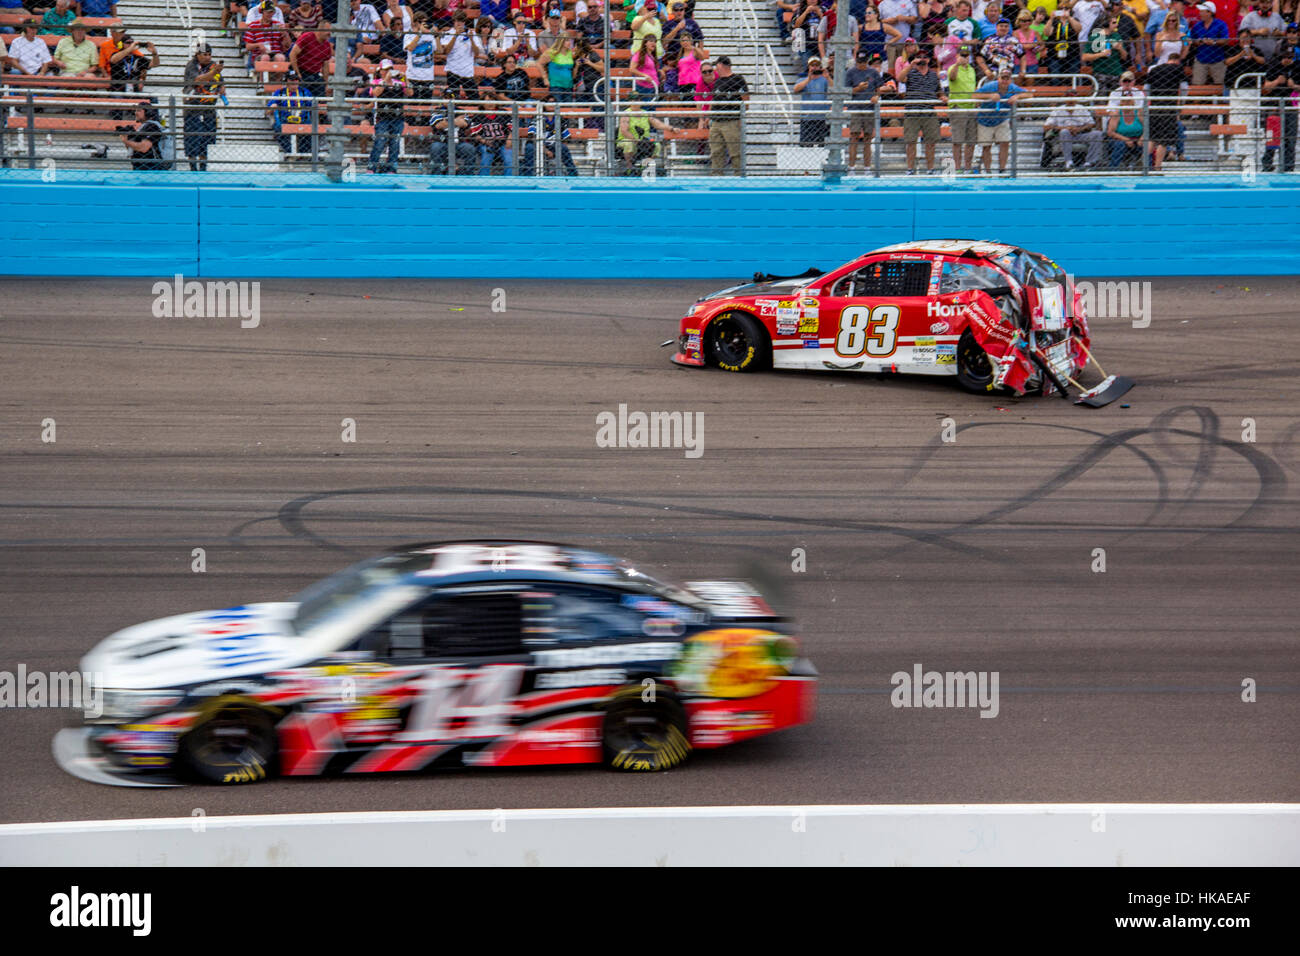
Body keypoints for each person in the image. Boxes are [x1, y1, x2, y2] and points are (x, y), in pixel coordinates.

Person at [972, 64, 1027, 172]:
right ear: (998, 78)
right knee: (986, 146)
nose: (1004, 81)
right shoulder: (991, 86)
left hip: (1002, 119)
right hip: (985, 120)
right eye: (1003, 78)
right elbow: (974, 95)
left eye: (1007, 78)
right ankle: (988, 171)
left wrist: (1017, 96)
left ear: (1010, 80)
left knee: (1005, 143)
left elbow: (1029, 94)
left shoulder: (1012, 87)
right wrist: (990, 96)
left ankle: (1002, 169)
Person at [846, 48, 892, 169]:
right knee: (854, 137)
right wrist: (858, 89)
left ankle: (867, 167)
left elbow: (879, 89)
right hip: (855, 107)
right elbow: (846, 92)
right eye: (860, 61)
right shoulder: (850, 72)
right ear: (856, 60)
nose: (862, 64)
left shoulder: (873, 72)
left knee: (868, 138)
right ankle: (851, 167)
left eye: (864, 61)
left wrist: (876, 97)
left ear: (867, 61)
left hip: (869, 108)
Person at [901, 48, 944, 172]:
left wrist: (942, 96)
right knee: (910, 142)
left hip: (929, 111)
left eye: (925, 57)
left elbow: (938, 90)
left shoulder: (933, 75)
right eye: (920, 57)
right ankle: (910, 168)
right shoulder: (911, 72)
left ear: (929, 60)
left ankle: (930, 168)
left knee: (930, 143)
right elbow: (900, 78)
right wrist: (911, 65)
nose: (922, 59)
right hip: (912, 111)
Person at [183, 43, 224, 171]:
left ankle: (204, 167)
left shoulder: (213, 65)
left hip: (209, 107)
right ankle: (193, 167)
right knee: (192, 137)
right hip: (193, 106)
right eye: (205, 55)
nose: (208, 57)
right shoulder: (192, 65)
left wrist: (222, 88)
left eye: (209, 54)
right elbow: (198, 80)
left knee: (208, 137)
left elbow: (221, 82)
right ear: (198, 54)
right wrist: (214, 72)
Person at [1041, 87, 1103, 167]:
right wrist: (1065, 128)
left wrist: (1079, 129)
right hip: (1063, 136)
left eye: (1073, 97)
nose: (1071, 99)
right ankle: (1069, 162)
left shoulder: (1082, 109)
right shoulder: (1058, 110)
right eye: (1068, 97)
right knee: (1064, 132)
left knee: (1097, 134)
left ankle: (1090, 162)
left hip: (1080, 134)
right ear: (1065, 98)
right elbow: (1046, 126)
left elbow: (1091, 123)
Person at [708, 55, 749, 174]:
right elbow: (714, 99)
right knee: (716, 151)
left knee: (735, 151)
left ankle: (739, 176)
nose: (716, 68)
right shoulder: (718, 81)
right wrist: (710, 116)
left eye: (717, 65)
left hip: (731, 120)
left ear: (721, 65)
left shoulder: (737, 79)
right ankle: (717, 176)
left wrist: (742, 117)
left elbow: (745, 98)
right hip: (716, 120)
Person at [1262, 46, 1298, 170]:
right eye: (1284, 57)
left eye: (1289, 57)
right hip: (1274, 106)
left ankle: (1288, 167)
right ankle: (1267, 165)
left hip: (1291, 106)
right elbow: (1265, 88)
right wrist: (1277, 81)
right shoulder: (1274, 67)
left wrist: (1295, 86)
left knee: (1290, 139)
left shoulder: (1297, 67)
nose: (1286, 60)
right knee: (1272, 137)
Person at [1146, 50, 1187, 163]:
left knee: (1152, 138)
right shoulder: (1178, 69)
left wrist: (1151, 100)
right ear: (1177, 61)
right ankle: (1158, 167)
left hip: (1155, 106)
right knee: (1163, 141)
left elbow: (1146, 87)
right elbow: (1184, 88)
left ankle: (1144, 163)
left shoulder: (1154, 69)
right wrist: (1181, 103)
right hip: (1169, 106)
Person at [367, 59, 406, 172]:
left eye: (390, 69)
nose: (388, 71)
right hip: (382, 117)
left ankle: (392, 168)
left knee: (395, 144)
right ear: (380, 71)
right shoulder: (376, 82)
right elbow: (375, 93)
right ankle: (372, 167)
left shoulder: (398, 82)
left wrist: (405, 79)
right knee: (380, 142)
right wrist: (386, 79)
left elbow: (410, 92)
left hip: (397, 116)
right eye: (385, 69)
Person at [266, 70, 316, 155]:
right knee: (278, 130)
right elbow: (268, 110)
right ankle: (289, 153)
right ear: (286, 81)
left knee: (311, 131)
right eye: (291, 80)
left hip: (302, 120)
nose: (294, 82)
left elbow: (313, 106)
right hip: (285, 120)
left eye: (296, 80)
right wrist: (273, 106)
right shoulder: (280, 93)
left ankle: (303, 154)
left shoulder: (304, 92)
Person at [428, 90, 478, 173]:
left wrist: (446, 121)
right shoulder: (437, 111)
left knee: (470, 148)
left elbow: (465, 124)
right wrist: (457, 120)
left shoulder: (461, 111)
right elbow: (438, 125)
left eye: (451, 98)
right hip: (442, 143)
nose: (448, 100)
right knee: (435, 147)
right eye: (446, 98)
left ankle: (468, 175)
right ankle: (437, 173)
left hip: (459, 143)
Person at [947, 45, 979, 171]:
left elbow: (973, 86)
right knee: (957, 141)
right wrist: (957, 64)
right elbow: (952, 77)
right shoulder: (952, 68)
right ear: (957, 56)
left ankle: (968, 167)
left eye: (966, 55)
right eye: (962, 55)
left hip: (971, 107)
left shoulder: (972, 69)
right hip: (958, 106)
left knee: (971, 141)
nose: (965, 57)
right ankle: (957, 167)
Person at [101, 26, 159, 93]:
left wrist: (154, 54)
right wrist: (130, 49)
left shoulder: (137, 57)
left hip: (134, 89)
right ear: (121, 44)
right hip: (118, 89)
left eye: (131, 43)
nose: (130, 45)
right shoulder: (116, 55)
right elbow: (113, 60)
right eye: (128, 43)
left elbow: (155, 64)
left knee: (153, 99)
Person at [439, 11, 480, 97]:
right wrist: (455, 35)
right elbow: (446, 51)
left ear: (464, 22)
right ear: (453, 21)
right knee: (453, 98)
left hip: (467, 71)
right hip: (453, 70)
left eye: (461, 21)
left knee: (475, 97)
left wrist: (472, 39)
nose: (458, 23)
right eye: (456, 21)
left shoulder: (471, 33)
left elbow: (477, 53)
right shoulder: (448, 33)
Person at [1189, 0, 1230, 84]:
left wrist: (1214, 42)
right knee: (1197, 85)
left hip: (1217, 60)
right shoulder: (1197, 25)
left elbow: (1226, 40)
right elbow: (1191, 40)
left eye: (1202, 12)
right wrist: (1198, 42)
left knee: (1219, 85)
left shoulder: (1221, 24)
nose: (1200, 14)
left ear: (1210, 12)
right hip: (1201, 59)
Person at [794, 55, 831, 145]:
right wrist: (809, 78)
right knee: (806, 144)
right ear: (809, 67)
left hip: (822, 118)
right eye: (812, 65)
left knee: (823, 145)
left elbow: (834, 89)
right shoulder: (802, 79)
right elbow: (796, 89)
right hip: (807, 118)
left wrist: (828, 77)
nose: (814, 67)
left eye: (816, 65)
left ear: (820, 66)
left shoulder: (824, 80)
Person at [290, 23, 333, 98]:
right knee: (302, 92)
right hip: (301, 70)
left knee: (321, 94)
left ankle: (320, 107)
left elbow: (325, 65)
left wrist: (326, 83)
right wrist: (297, 73)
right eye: (328, 31)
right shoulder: (308, 37)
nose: (330, 33)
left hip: (315, 74)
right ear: (320, 30)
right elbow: (292, 54)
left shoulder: (327, 45)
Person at [120, 104, 167, 169]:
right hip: (141, 166)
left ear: (147, 112)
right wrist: (127, 137)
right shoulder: (143, 127)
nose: (135, 113)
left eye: (139, 111)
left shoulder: (152, 126)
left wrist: (126, 141)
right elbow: (133, 148)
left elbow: (144, 148)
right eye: (135, 111)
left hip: (150, 167)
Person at [405, 15, 438, 99]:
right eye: (421, 22)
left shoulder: (430, 36)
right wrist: (420, 34)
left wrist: (436, 35)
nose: (423, 25)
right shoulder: (409, 35)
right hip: (413, 76)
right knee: (412, 104)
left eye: (425, 22)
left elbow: (439, 51)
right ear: (415, 23)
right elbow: (410, 48)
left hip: (428, 76)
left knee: (426, 105)